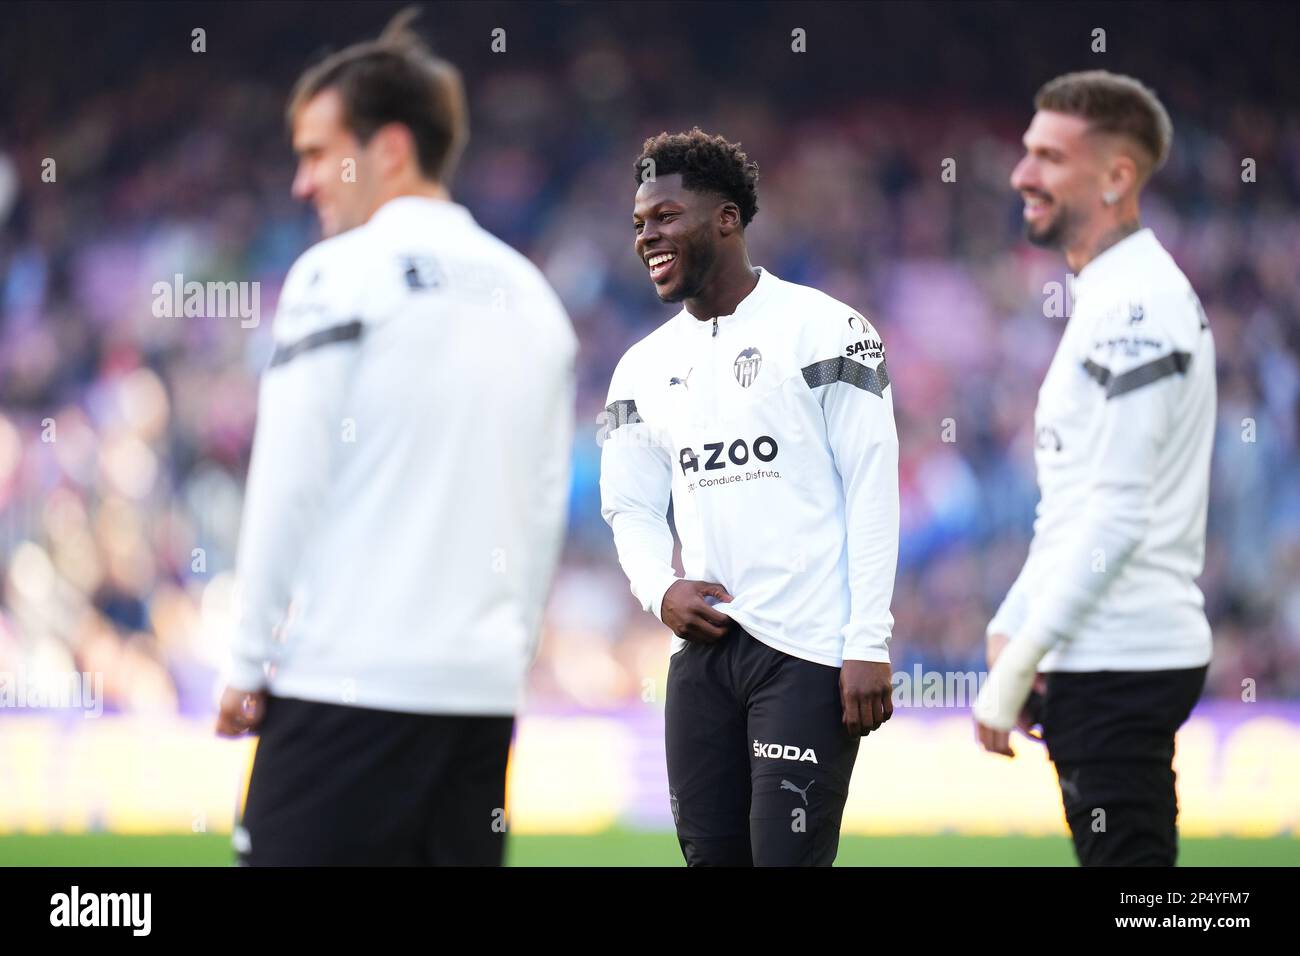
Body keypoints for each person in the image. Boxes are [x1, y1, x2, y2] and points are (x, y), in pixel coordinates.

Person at [214, 9, 577, 866]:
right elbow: (541, 514)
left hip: (344, 691)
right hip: (477, 707)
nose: (302, 183)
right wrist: (506, 659)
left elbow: (287, 478)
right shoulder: (535, 300)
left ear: (389, 149)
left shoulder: (336, 275)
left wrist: (246, 659)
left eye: (316, 153)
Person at [600, 128, 899, 866]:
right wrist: (659, 588)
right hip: (701, 656)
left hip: (806, 651)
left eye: (666, 216)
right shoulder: (639, 367)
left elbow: (872, 488)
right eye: (639, 223)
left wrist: (867, 641)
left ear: (727, 218)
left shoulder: (829, 330)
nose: (646, 236)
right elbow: (629, 505)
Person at [973, 70, 1216, 867]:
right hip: (1103, 654)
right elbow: (1074, 506)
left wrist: (1015, 669)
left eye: (1049, 157)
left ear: (1116, 176)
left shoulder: (1135, 307)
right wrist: (1014, 620)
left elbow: (1117, 517)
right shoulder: (1113, 296)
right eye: (1026, 151)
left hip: (1122, 658)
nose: (1022, 174)